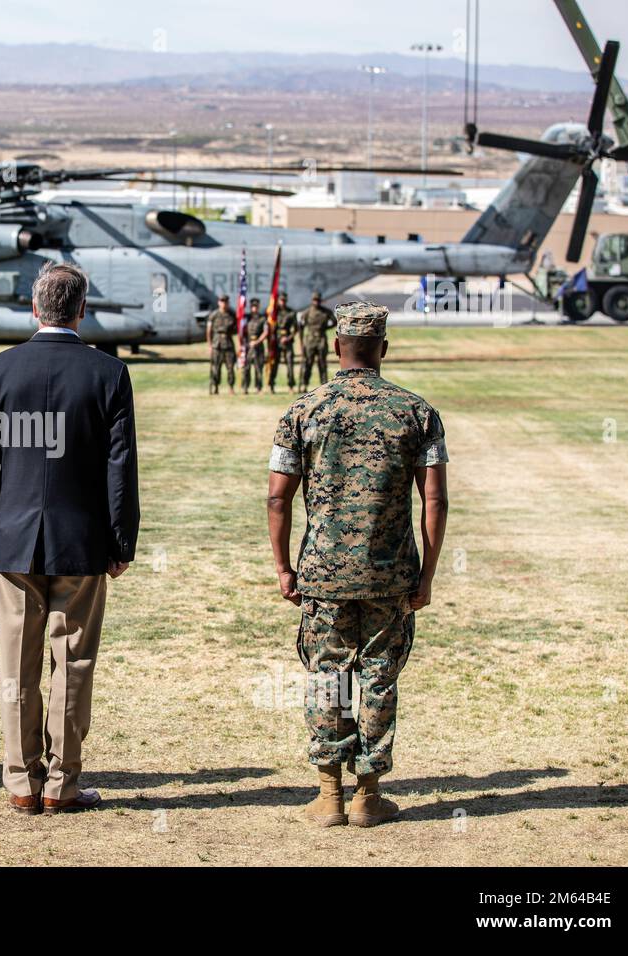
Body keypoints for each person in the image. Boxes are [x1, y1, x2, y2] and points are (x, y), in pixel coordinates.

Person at [0, 261, 140, 815]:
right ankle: (63, 784)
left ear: (34, 308)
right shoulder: (109, 374)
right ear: (82, 310)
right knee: (74, 664)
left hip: (13, 538)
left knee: (17, 663)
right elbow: (121, 468)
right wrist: (122, 542)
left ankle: (21, 781)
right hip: (82, 540)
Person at [266, 302, 449, 829]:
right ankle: (368, 795)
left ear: (334, 347)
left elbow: (277, 500)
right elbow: (433, 501)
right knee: (379, 677)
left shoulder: (304, 410)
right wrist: (428, 574)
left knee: (328, 676)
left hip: (323, 574)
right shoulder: (416, 412)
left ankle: (329, 794)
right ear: (383, 348)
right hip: (391, 576)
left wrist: (284, 568)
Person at [299, 292, 337, 389]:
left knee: (322, 363)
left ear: (320, 301)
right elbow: (300, 327)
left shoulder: (326, 312)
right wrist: (301, 342)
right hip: (310, 341)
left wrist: (325, 328)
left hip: (321, 340)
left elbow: (334, 322)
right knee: (308, 363)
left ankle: (324, 385)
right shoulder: (307, 312)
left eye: (318, 300)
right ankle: (304, 384)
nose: (316, 302)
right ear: (312, 301)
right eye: (314, 300)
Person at [206, 294, 236, 395]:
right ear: (219, 302)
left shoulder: (232, 314)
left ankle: (231, 387)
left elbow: (237, 329)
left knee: (230, 367)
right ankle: (215, 387)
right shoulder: (214, 315)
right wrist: (209, 345)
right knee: (216, 367)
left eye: (226, 302)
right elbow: (209, 331)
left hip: (228, 344)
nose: (224, 304)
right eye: (222, 301)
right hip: (217, 344)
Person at [270, 292, 299, 393]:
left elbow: (296, 329)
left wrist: (288, 338)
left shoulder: (291, 312)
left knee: (290, 364)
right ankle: (271, 385)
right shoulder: (274, 313)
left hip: (287, 341)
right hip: (276, 342)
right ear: (278, 301)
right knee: (275, 364)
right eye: (281, 300)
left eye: (284, 300)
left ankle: (291, 386)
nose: (282, 302)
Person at [242, 298, 267, 394]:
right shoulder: (246, 318)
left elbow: (265, 332)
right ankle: (245, 388)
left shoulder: (262, 319)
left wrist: (257, 341)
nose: (254, 309)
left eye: (256, 307)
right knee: (246, 368)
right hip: (248, 347)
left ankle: (258, 388)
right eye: (253, 307)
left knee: (258, 368)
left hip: (258, 347)